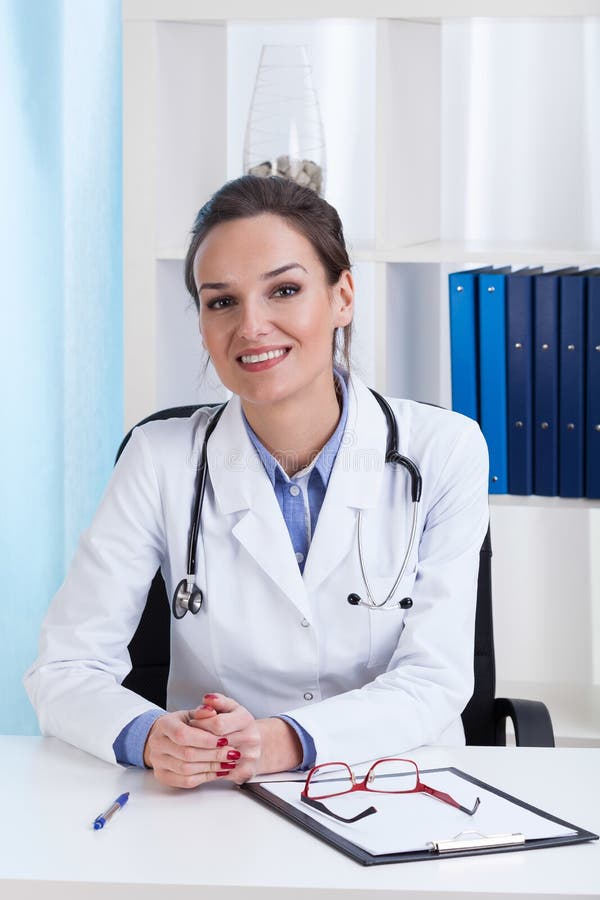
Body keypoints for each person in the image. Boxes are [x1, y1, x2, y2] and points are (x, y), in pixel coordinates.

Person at [24, 175, 489, 790]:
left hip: (397, 784)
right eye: (221, 302)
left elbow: (435, 679)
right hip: (216, 795)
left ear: (343, 296)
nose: (251, 326)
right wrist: (151, 736)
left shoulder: (444, 450)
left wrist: (278, 741)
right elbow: (66, 668)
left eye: (285, 290)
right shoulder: (159, 457)